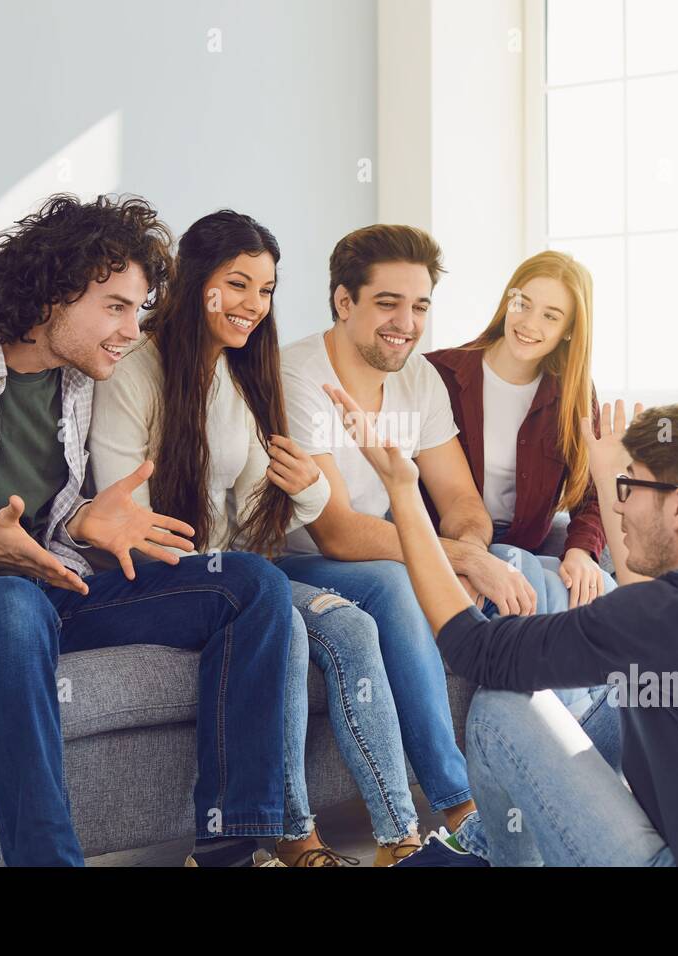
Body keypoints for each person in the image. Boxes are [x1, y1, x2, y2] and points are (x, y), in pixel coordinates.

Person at [0, 194, 293, 867]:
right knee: (13, 603)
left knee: (249, 584)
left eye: (139, 308)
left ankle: (231, 848)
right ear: (51, 296)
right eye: (115, 307)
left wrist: (82, 522)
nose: (133, 330)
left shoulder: (76, 381)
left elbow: (51, 525)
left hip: (53, 592)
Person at [326, 385, 678, 867]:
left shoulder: (672, 617)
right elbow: (654, 615)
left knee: (501, 709)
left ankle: (480, 855)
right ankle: (474, 847)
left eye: (631, 488)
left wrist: (403, 488)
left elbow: (475, 648)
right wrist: (605, 470)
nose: (617, 507)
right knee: (637, 681)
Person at [89, 210, 424, 866]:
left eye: (266, 290)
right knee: (286, 626)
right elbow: (125, 513)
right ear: (195, 281)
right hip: (165, 581)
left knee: (352, 628)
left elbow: (260, 516)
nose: (253, 305)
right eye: (238, 285)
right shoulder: (136, 371)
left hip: (241, 576)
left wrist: (303, 484)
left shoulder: (237, 376)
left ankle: (400, 840)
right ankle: (299, 839)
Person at [277, 224, 547, 865]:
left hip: (395, 544)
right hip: (304, 558)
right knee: (400, 584)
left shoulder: (419, 380)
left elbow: (460, 502)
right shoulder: (296, 374)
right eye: (388, 303)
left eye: (420, 305)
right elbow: (336, 529)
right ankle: (460, 805)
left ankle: (547, 772)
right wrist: (456, 557)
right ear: (344, 302)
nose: (407, 322)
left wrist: (477, 548)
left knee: (519, 564)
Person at [426, 250, 617, 727]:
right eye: (522, 303)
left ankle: (603, 735)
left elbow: (592, 492)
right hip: (453, 540)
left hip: (525, 537)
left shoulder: (571, 391)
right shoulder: (439, 374)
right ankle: (574, 733)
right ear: (506, 301)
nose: (529, 322)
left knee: (596, 592)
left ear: (569, 329)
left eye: (551, 315)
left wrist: (581, 551)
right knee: (528, 570)